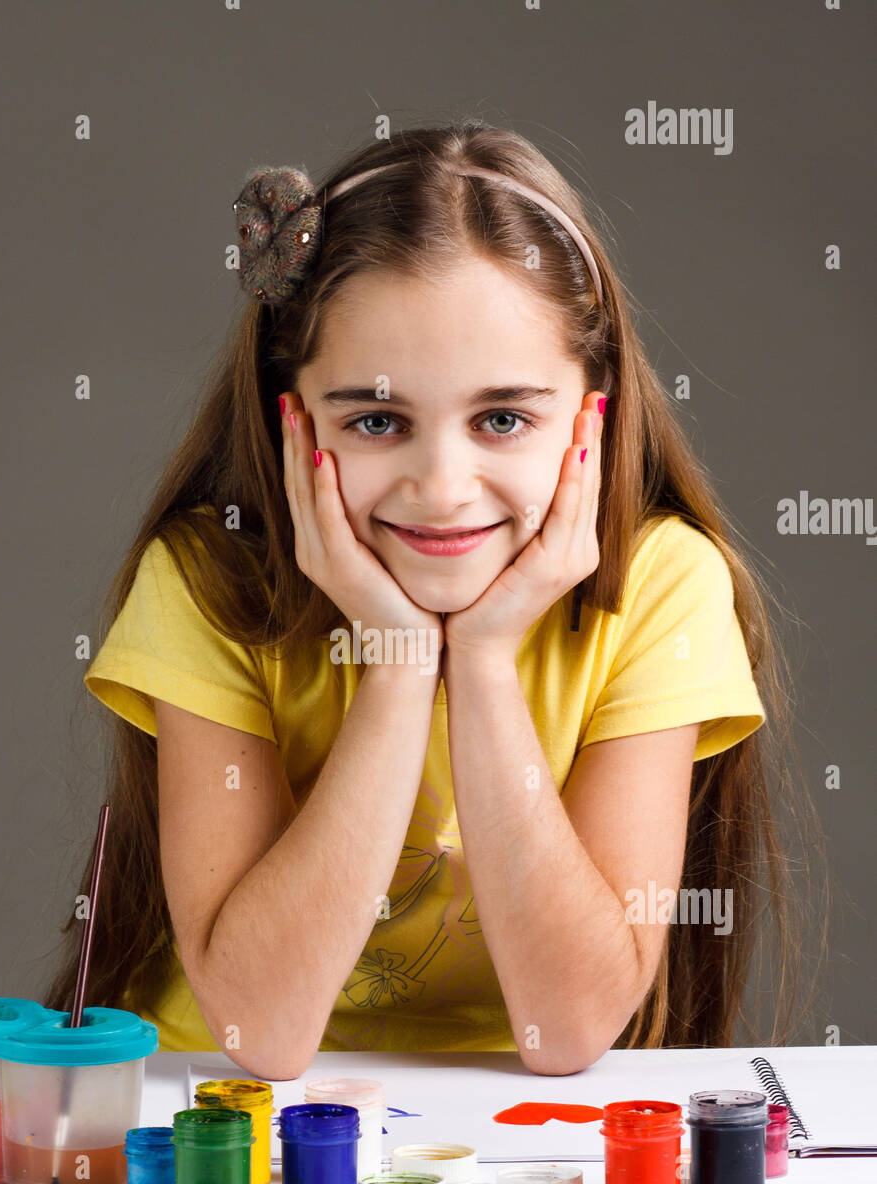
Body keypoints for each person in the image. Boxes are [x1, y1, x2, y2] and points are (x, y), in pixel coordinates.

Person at [46, 121, 823, 1078]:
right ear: (292, 421)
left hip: (497, 1130)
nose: (444, 486)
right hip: (212, 1102)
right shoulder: (208, 580)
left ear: (591, 417)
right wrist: (398, 665)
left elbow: (571, 1026)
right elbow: (261, 1036)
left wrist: (485, 664)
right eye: (376, 420)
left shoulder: (663, 587)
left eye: (503, 418)